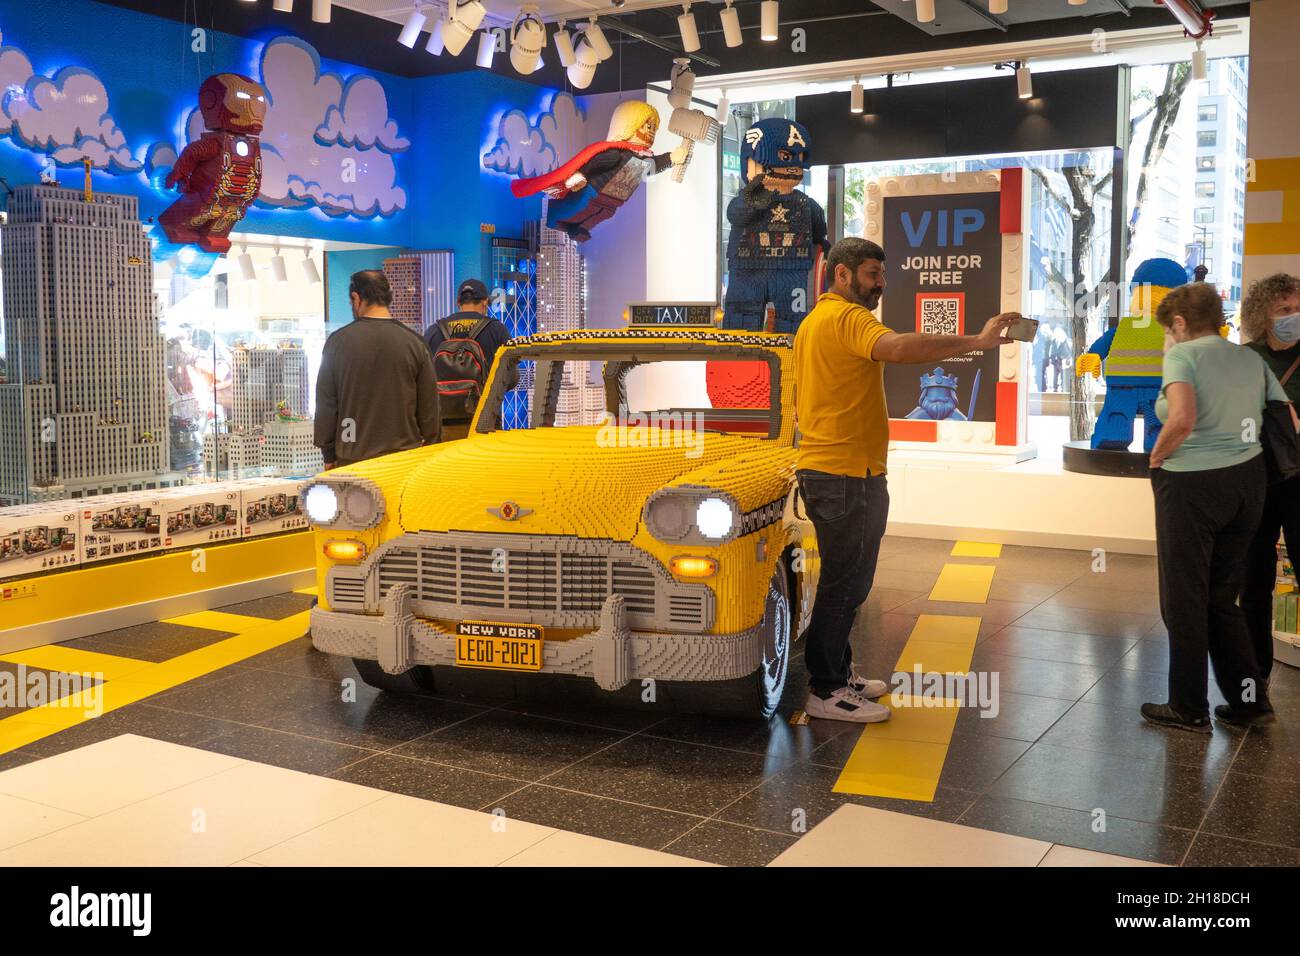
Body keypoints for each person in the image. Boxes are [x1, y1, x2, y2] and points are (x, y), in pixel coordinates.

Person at [794, 237, 1017, 723]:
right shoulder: (846, 318)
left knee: (851, 580)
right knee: (843, 582)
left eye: (882, 276)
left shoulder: (814, 323)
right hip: (844, 473)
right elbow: (897, 347)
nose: (880, 285)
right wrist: (977, 342)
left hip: (846, 470)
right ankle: (826, 690)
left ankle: (839, 671)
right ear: (842, 275)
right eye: (873, 275)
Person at [1142, 282, 1289, 733]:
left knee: (1184, 598)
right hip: (1248, 484)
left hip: (1192, 486)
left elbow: (1182, 417)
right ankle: (1249, 701)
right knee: (1223, 598)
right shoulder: (1249, 358)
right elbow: (1288, 420)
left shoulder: (1184, 356)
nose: (1170, 334)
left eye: (1170, 327)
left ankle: (1187, 706)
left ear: (1181, 323)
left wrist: (1157, 456)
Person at [1238, 273, 1300, 697]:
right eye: (1284, 310)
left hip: (1299, 479)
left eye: (1297, 309)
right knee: (1253, 579)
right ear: (1263, 314)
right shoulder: (1244, 359)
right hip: (1256, 478)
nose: (1293, 317)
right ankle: (1254, 676)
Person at [314, 270, 440, 469]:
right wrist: (430, 448)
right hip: (405, 461)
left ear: (356, 298)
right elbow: (430, 408)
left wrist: (328, 454)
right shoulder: (415, 343)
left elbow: (326, 404)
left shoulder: (337, 342)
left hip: (352, 459)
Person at [424, 278, 511, 442]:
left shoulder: (434, 331)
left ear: (458, 302)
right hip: (485, 424)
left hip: (443, 426)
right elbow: (511, 378)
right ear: (485, 302)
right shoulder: (496, 330)